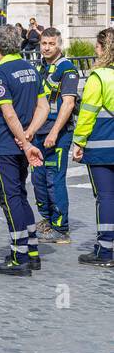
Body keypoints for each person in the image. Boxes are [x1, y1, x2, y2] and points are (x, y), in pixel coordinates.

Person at [0, 24, 48, 277]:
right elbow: (43, 106)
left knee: (10, 199)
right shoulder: (31, 70)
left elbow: (8, 112)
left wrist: (23, 140)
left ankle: (18, 255)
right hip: (25, 144)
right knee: (20, 195)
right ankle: (32, 251)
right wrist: (30, 133)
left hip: (6, 145)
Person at [70, 27, 114, 268]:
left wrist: (79, 142)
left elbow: (87, 114)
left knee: (106, 196)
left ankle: (105, 249)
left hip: (103, 146)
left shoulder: (99, 77)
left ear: (102, 49)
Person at [31, 28, 80, 244]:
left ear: (59, 44)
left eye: (51, 43)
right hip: (38, 133)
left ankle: (61, 228)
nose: (47, 47)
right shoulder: (40, 67)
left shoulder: (67, 69)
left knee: (54, 179)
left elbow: (68, 103)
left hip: (57, 134)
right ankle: (48, 220)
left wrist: (54, 131)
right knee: (38, 179)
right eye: (44, 43)